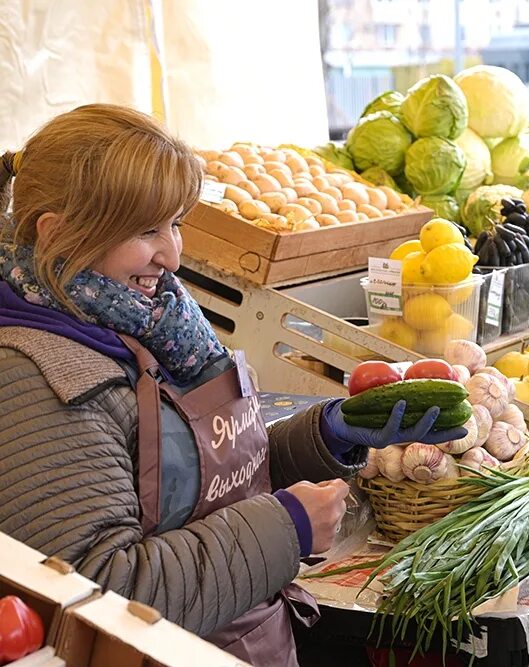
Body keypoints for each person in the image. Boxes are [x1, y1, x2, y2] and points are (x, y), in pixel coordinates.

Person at [0, 105, 465, 667]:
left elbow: (196, 480)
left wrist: (326, 436)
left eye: (175, 223)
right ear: (58, 235)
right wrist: (285, 528)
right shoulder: (34, 379)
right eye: (147, 230)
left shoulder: (154, 323)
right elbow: (96, 594)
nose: (173, 255)